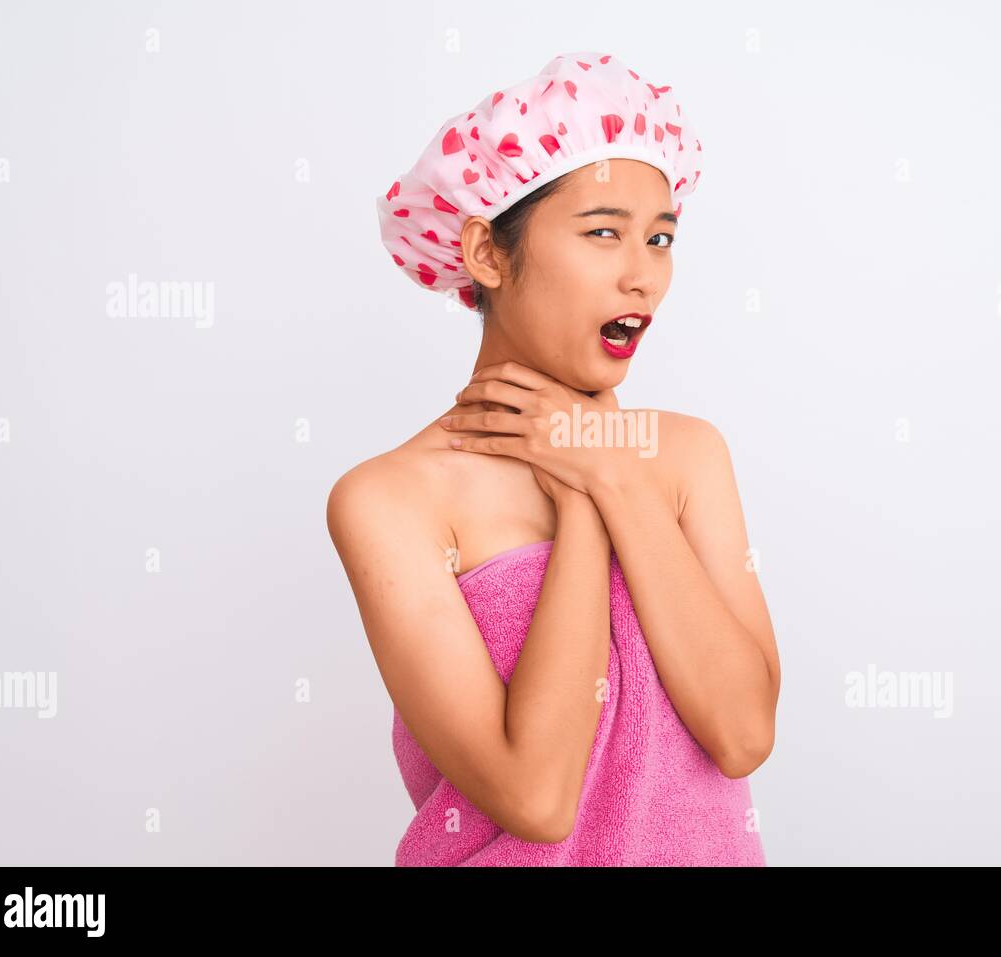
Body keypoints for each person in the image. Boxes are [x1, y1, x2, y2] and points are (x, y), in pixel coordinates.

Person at [327, 51, 780, 865]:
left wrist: (606, 468)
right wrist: (581, 499)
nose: (643, 275)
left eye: (661, 237)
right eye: (603, 232)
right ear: (488, 254)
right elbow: (535, 797)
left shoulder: (686, 458)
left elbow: (743, 734)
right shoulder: (389, 500)